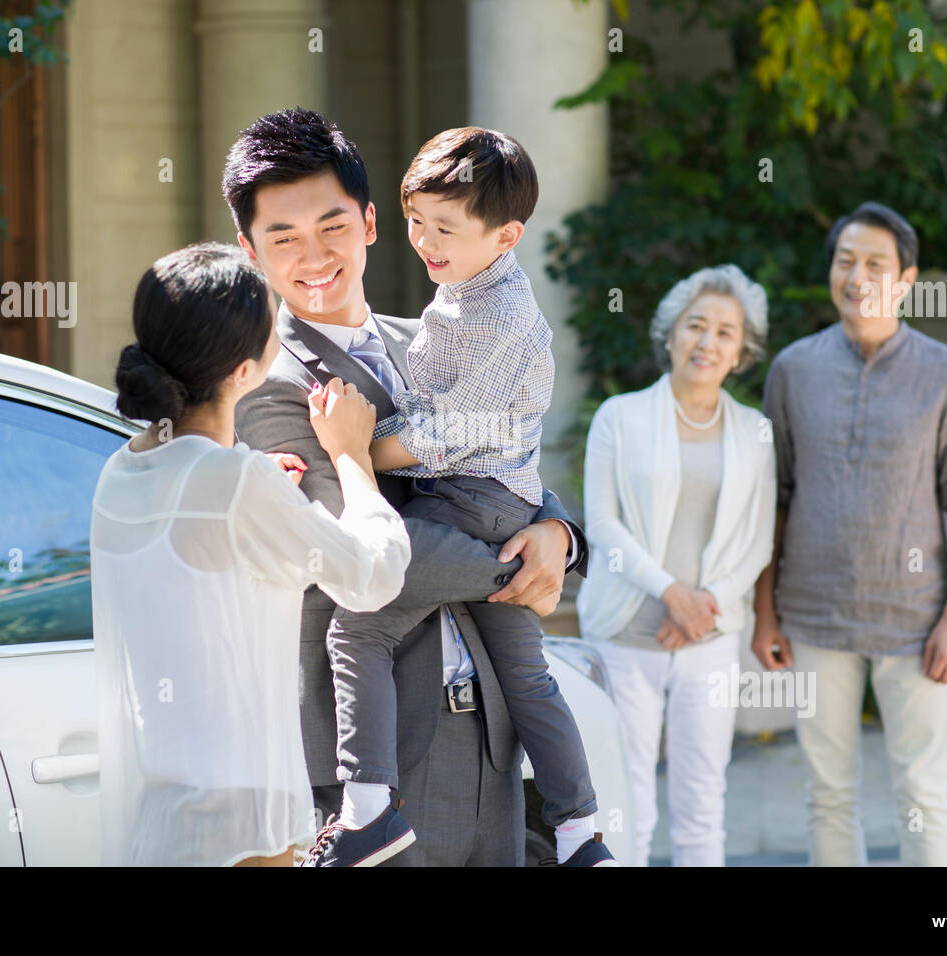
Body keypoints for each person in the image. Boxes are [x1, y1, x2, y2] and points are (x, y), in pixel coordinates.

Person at [224, 107, 588, 866]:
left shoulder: (439, 330)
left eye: (331, 226)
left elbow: (501, 450)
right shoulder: (271, 391)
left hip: (491, 745)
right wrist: (515, 569)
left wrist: (559, 533)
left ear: (370, 221)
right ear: (248, 250)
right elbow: (358, 553)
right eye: (282, 237)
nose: (313, 255)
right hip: (383, 764)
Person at [315, 127, 608, 867]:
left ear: (507, 234)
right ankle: (579, 832)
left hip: (469, 501)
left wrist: (355, 446)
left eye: (445, 228)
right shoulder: (461, 298)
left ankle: (369, 806)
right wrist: (542, 554)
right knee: (530, 675)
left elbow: (449, 433)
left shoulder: (493, 315)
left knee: (361, 626)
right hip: (479, 517)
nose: (425, 241)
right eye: (417, 221)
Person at [91, 242, 410, 866]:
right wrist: (351, 455)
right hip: (244, 828)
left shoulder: (119, 474)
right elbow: (372, 577)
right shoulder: (235, 484)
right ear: (243, 372)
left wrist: (254, 487)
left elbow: (199, 548)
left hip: (161, 821)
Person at [753, 201, 947, 866]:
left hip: (917, 622)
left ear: (907, 279)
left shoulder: (945, 373)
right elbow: (777, 496)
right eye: (845, 260)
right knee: (827, 794)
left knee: (922, 793)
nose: (857, 275)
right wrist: (765, 612)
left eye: (876, 263)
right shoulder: (793, 371)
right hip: (813, 614)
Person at [578, 264, 776, 867]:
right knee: (626, 804)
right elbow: (603, 527)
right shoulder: (620, 416)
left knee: (701, 804)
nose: (707, 342)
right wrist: (673, 594)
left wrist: (701, 607)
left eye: (724, 332)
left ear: (741, 351)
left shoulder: (755, 431)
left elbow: (759, 541)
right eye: (696, 326)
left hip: (708, 640)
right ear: (670, 334)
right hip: (627, 634)